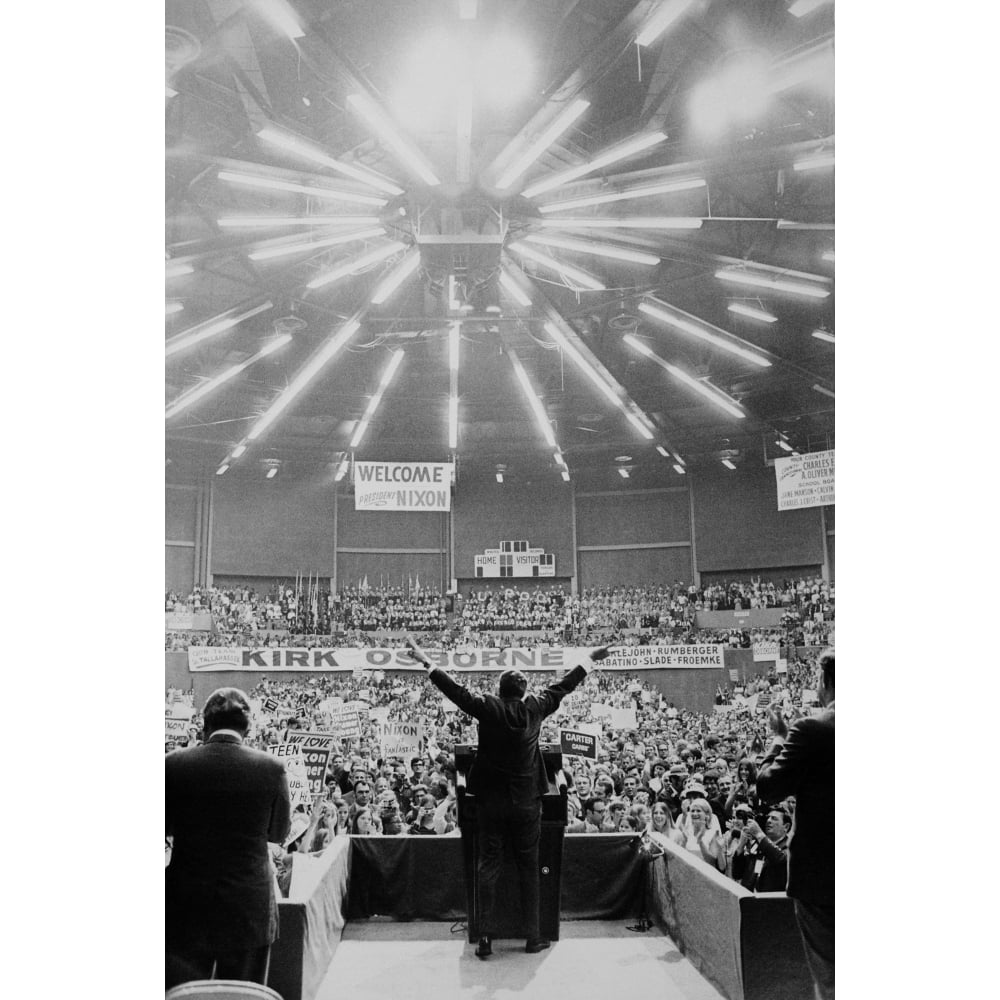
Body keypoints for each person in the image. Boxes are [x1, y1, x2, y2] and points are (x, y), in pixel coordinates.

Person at [406, 633, 611, 958]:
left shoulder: (487, 707)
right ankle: (533, 936)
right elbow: (563, 686)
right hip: (528, 804)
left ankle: (485, 936)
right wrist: (590, 658)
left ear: (499, 692)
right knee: (530, 869)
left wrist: (425, 662)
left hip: (489, 803)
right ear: (524, 691)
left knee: (488, 866)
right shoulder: (534, 708)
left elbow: (455, 690)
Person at [165, 687, 291, 990]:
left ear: (204, 724)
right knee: (242, 994)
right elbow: (278, 833)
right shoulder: (272, 768)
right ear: (248, 727)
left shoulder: (171, 764)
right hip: (249, 907)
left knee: (182, 994)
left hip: (186, 906)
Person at [756, 647, 835, 1000]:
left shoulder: (812, 730)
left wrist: (778, 740)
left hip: (824, 879)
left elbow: (769, 787)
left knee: (831, 977)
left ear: (824, 682)